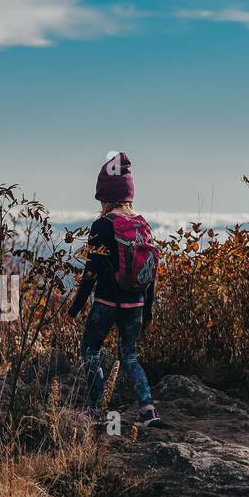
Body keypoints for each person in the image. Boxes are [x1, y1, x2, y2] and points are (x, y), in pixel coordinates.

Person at [65, 153, 164, 428]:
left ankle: (96, 409)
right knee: (129, 357)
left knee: (90, 350)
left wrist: (74, 309)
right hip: (136, 303)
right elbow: (150, 273)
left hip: (107, 303)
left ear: (103, 196)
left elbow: (90, 274)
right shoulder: (143, 227)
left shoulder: (102, 225)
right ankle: (148, 410)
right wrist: (149, 310)